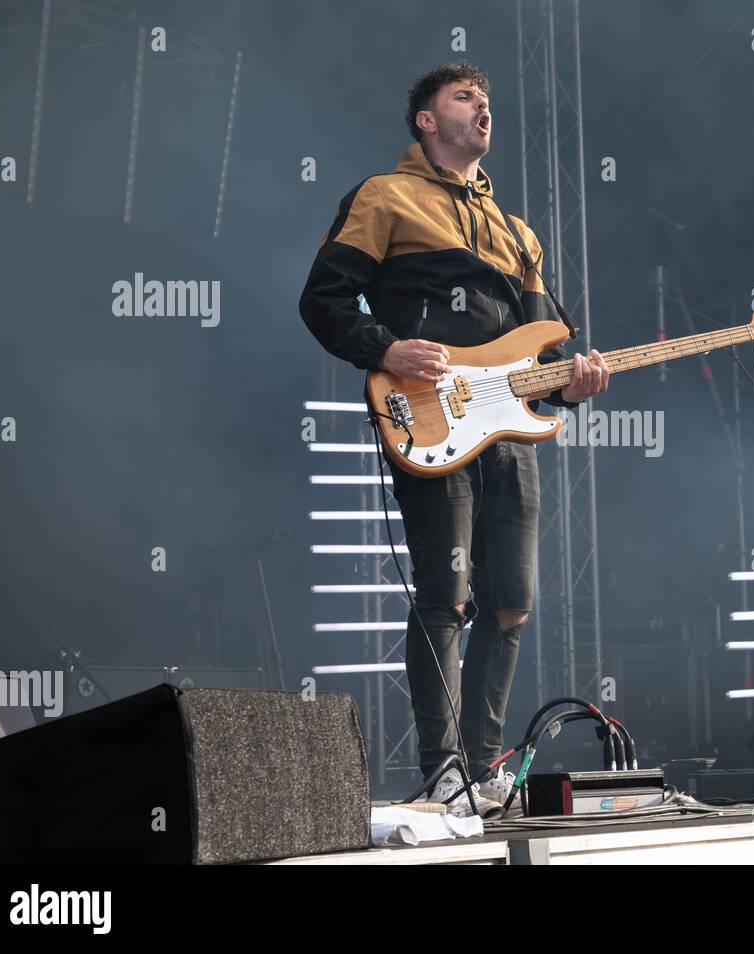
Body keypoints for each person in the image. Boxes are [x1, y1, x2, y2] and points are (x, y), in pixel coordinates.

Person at [299, 62, 608, 816]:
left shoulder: (518, 232)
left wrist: (571, 381)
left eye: (488, 99)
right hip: (429, 414)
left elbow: (540, 353)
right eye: (466, 97)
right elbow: (323, 297)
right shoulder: (385, 195)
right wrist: (384, 348)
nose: (483, 107)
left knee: (513, 604)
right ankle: (441, 769)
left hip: (509, 432)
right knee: (447, 593)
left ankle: (482, 768)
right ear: (427, 121)